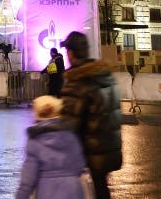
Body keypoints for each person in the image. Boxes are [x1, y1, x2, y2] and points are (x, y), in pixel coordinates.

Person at [60, 31, 122, 199]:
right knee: (101, 187)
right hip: (109, 147)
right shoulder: (106, 76)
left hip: (89, 152)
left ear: (71, 53)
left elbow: (69, 125)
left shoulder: (77, 81)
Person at [16, 96, 90, 199]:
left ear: (37, 113)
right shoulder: (71, 135)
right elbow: (79, 165)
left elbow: (27, 181)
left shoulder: (35, 140)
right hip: (73, 191)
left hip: (48, 191)